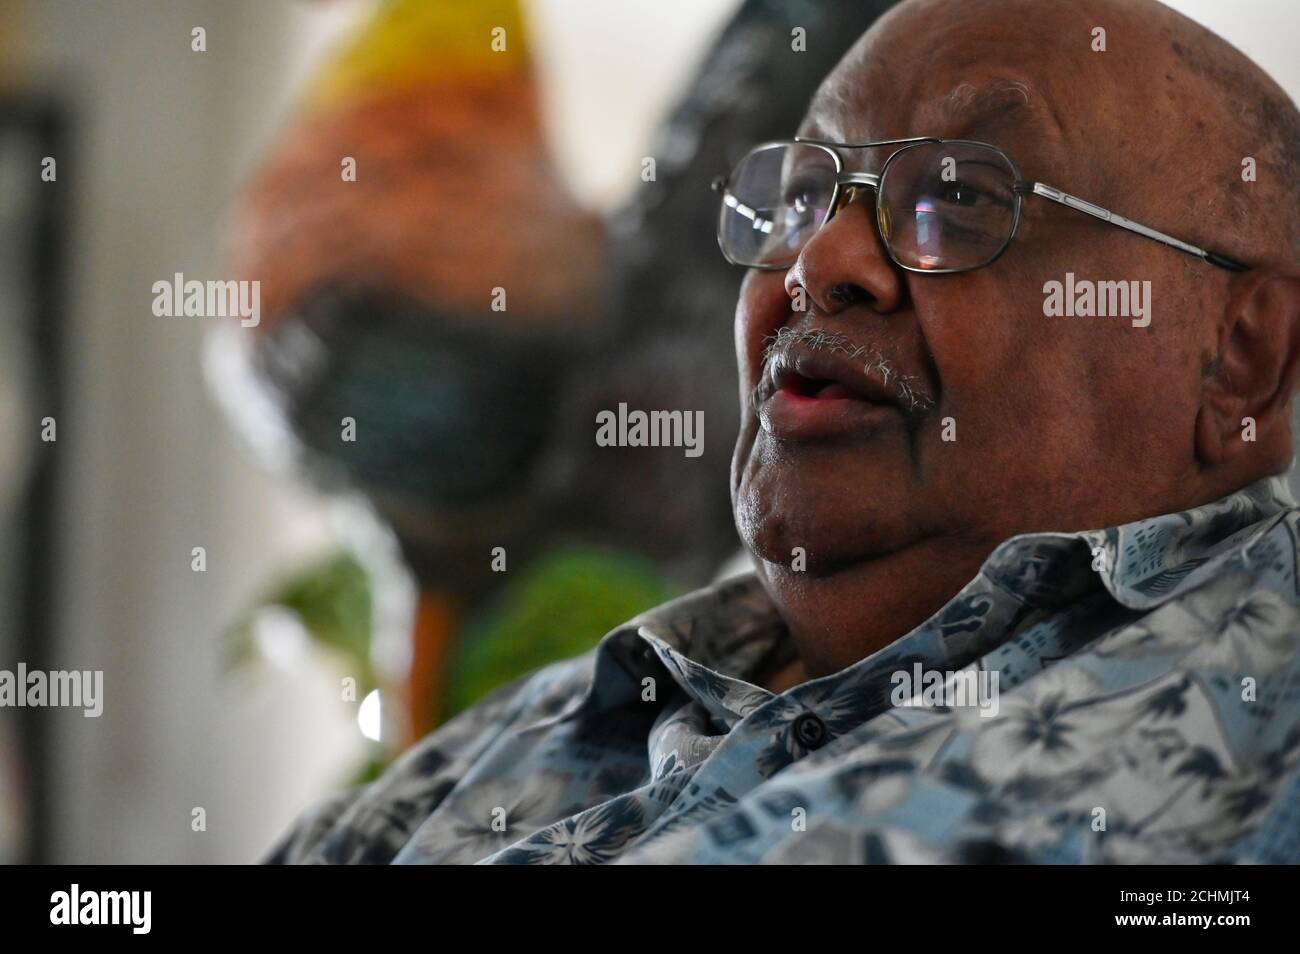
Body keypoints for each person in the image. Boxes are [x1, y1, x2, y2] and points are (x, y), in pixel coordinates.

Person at [268, 0, 1300, 864]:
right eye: (800, 198)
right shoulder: (527, 732)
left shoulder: (1261, 737)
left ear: (1242, 351)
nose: (818, 262)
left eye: (961, 197)